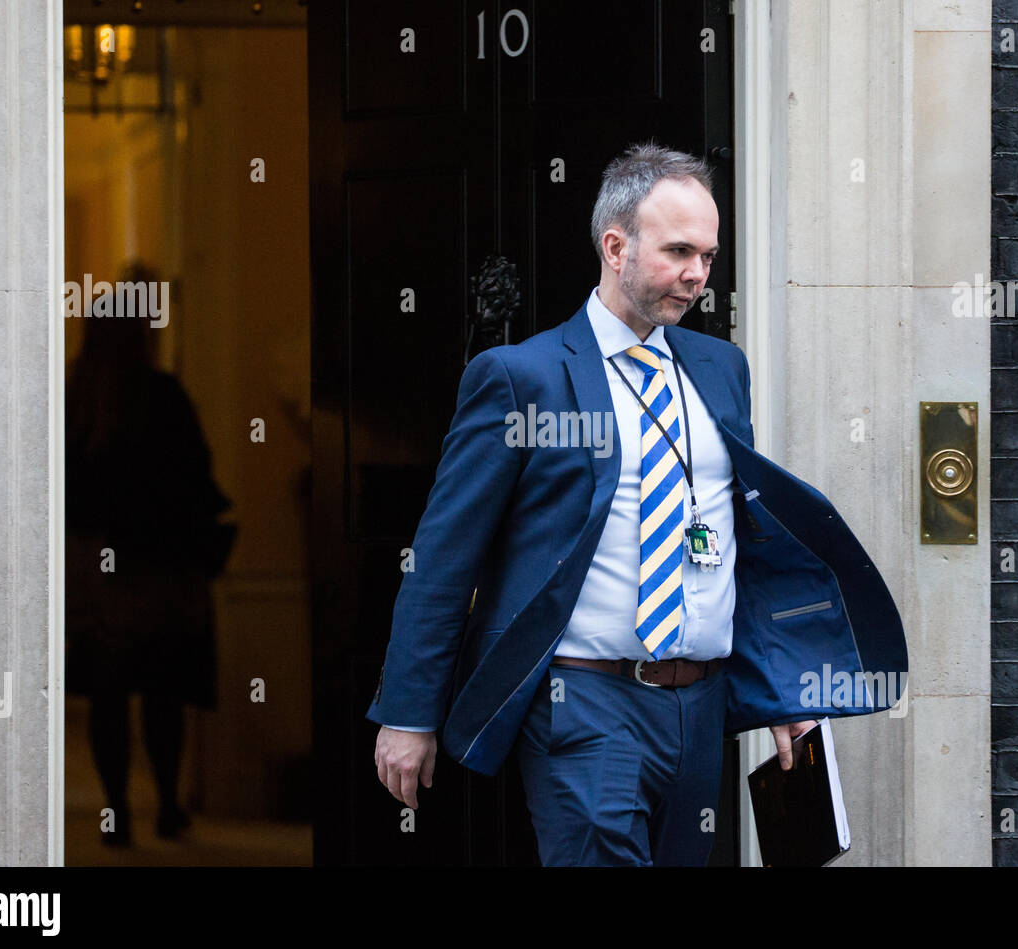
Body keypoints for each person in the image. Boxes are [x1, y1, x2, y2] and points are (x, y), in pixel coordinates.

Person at [369, 143, 907, 865]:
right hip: (585, 706)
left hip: (702, 709)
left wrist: (788, 693)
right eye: (679, 251)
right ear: (614, 245)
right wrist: (407, 712)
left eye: (709, 257)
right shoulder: (519, 379)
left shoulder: (721, 369)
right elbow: (443, 556)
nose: (697, 275)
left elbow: (737, 542)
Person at [66, 262, 235, 847]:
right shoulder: (162, 395)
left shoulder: (74, 399)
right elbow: (198, 480)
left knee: (108, 698)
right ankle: (166, 805)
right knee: (161, 691)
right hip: (161, 569)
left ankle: (117, 812)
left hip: (94, 570)